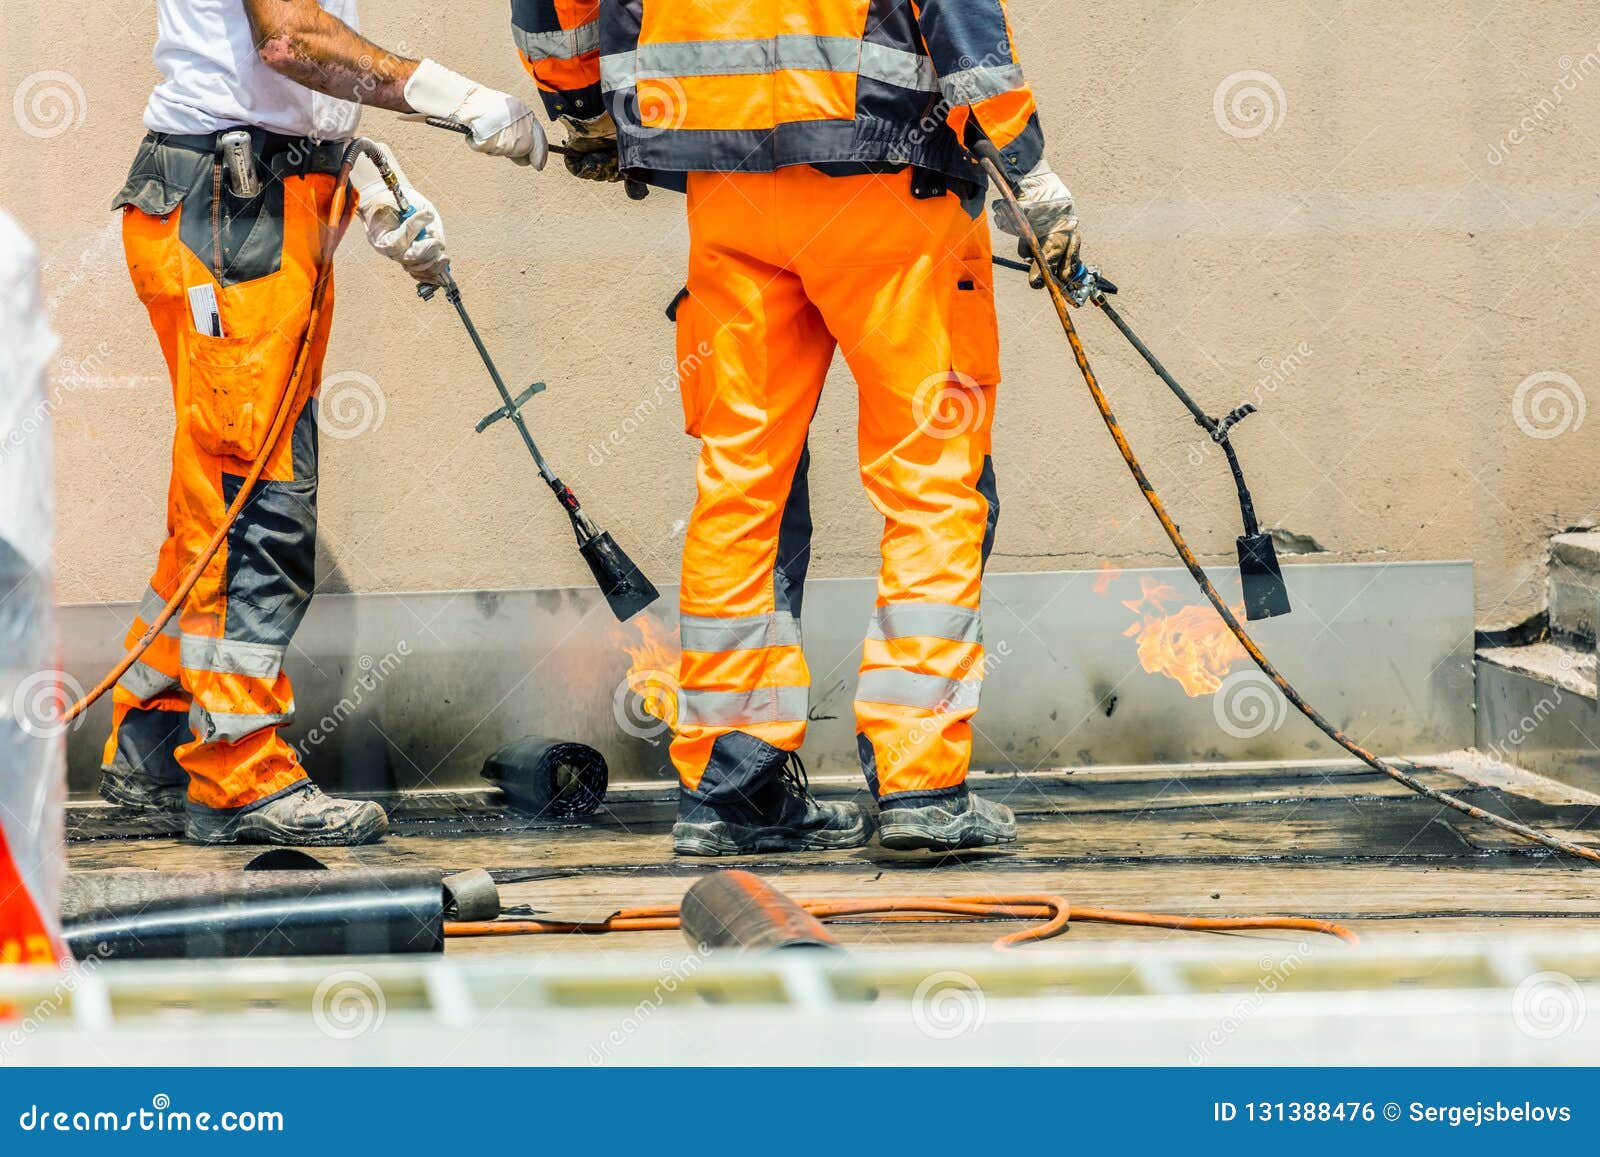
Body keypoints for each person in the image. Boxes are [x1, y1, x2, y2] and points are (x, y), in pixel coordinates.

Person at [513, 1, 1082, 854]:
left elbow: (560, 10)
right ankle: (920, 782)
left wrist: (584, 108)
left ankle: (732, 788)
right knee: (931, 481)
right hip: (886, 181)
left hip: (730, 184)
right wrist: (1021, 162)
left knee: (744, 484)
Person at [102, 0, 546, 846]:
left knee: (217, 499)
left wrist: (363, 180)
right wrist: (454, 96)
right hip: (233, 211)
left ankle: (155, 739)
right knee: (256, 502)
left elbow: (286, 79)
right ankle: (239, 773)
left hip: (257, 202)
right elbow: (291, 40)